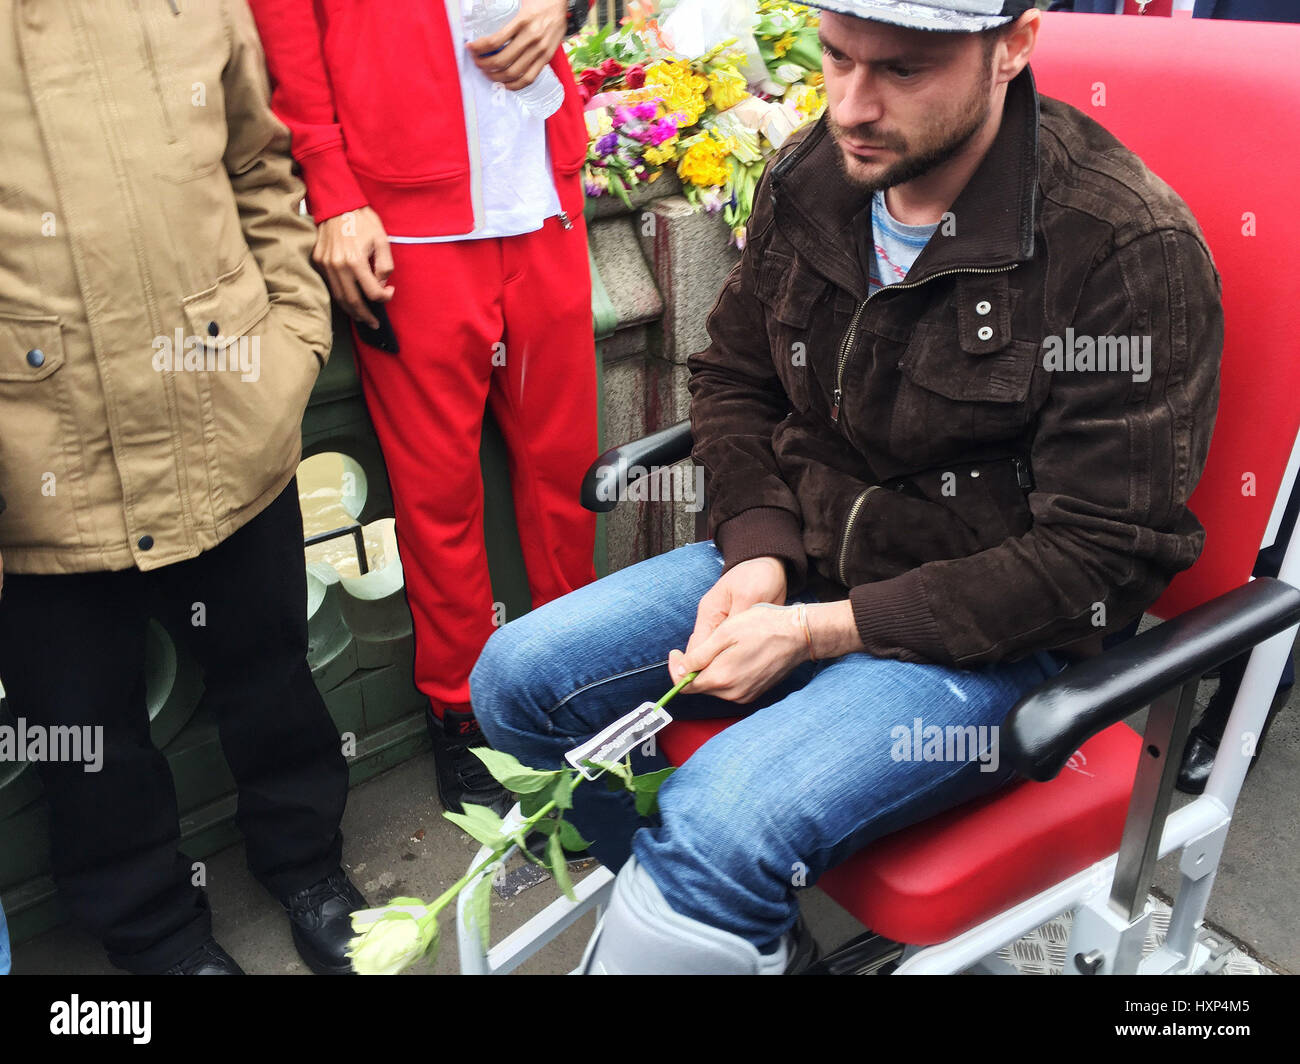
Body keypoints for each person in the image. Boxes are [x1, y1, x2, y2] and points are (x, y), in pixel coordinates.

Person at [469, 0, 1224, 974]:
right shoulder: (815, 172)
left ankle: (708, 904)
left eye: (903, 70)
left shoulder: (1124, 249)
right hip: (808, 556)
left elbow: (1096, 560)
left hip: (992, 639)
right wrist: (757, 549)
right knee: (517, 683)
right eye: (835, 55)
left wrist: (819, 631)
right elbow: (733, 375)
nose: (853, 105)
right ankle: (743, 929)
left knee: (716, 826)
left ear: (1013, 48)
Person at [0, 0, 365, 975]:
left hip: (222, 407)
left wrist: (292, 339)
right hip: (38, 453)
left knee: (272, 671)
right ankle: (157, 936)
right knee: (86, 735)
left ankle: (308, 865)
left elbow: (259, 166)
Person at [248, 0, 602, 816]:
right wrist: (334, 195)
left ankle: (575, 683)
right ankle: (461, 711)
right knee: (436, 496)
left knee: (568, 476)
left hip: (542, 189)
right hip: (406, 224)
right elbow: (288, 38)